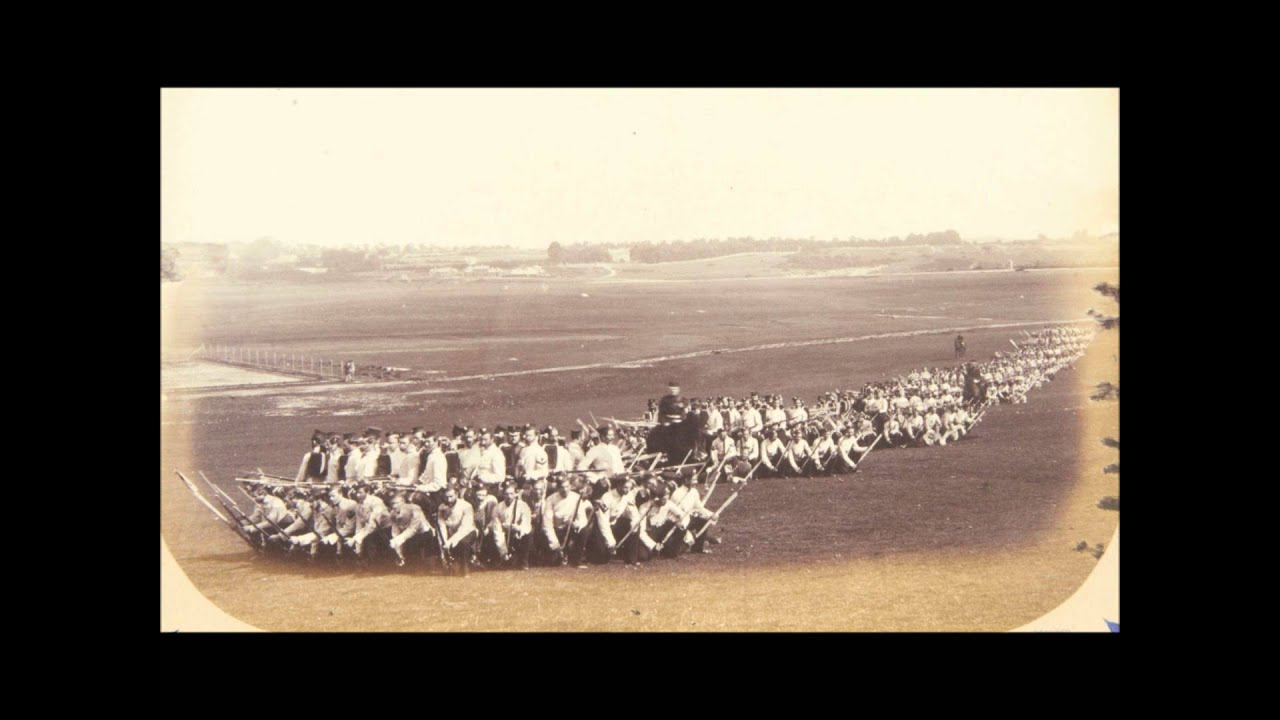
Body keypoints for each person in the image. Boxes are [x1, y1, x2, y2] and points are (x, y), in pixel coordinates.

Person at [438, 486, 477, 576]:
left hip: (468, 531)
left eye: (451, 496)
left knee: (463, 542)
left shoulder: (466, 506)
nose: (449, 499)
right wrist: (444, 543)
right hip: (452, 533)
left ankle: (465, 567)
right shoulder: (441, 507)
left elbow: (465, 527)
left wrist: (451, 541)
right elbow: (441, 526)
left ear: (457, 495)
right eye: (446, 497)